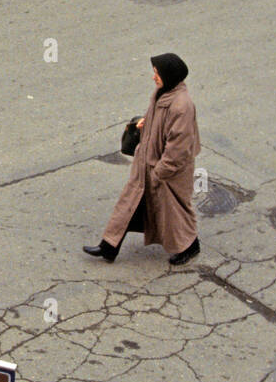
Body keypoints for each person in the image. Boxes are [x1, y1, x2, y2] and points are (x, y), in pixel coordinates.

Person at [84, 52, 201, 266]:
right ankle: (109, 246)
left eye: (157, 73)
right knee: (128, 203)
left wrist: (160, 172)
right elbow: (159, 121)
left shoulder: (181, 106)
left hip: (167, 171)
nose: (153, 77)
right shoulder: (162, 93)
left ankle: (190, 246)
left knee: (174, 211)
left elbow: (179, 147)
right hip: (147, 162)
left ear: (169, 75)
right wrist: (145, 122)